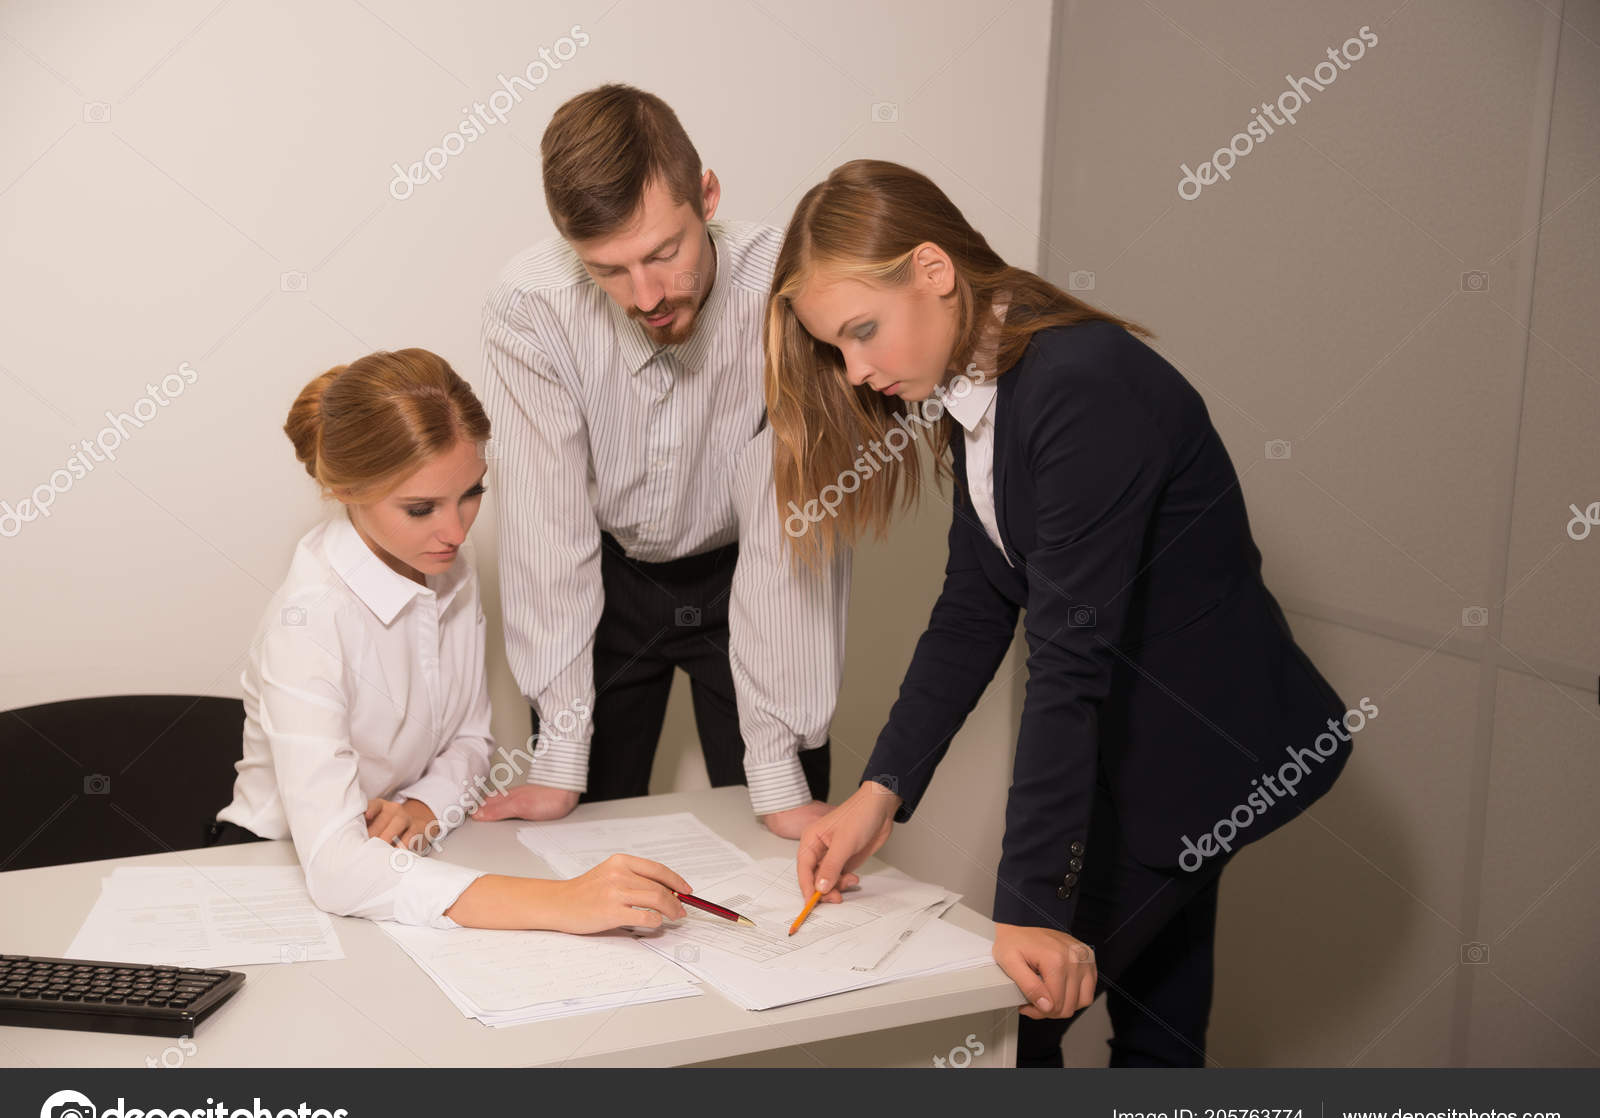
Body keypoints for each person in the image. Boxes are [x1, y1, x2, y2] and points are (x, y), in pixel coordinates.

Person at [771, 160, 1354, 1066]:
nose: (856, 371)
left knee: (1016, 1029)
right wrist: (879, 793)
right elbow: (974, 608)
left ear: (933, 270)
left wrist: (1032, 909)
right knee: (1159, 1027)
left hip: (1205, 755)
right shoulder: (981, 382)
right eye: (836, 349)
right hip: (1136, 749)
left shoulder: (1080, 385)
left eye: (862, 332)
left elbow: (1066, 658)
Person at [472, 84, 849, 839]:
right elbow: (547, 527)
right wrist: (557, 759)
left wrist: (777, 771)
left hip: (755, 572)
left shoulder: (787, 287)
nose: (645, 296)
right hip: (605, 581)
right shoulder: (530, 307)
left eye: (663, 253)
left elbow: (789, 524)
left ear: (707, 196)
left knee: (788, 842)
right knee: (580, 843)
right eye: (608, 269)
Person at [210, 349, 693, 932]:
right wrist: (561, 902)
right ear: (346, 489)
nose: (457, 531)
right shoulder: (309, 621)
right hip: (273, 872)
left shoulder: (446, 566)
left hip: (395, 853)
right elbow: (336, 871)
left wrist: (423, 807)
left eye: (472, 492)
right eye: (421, 508)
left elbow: (469, 740)